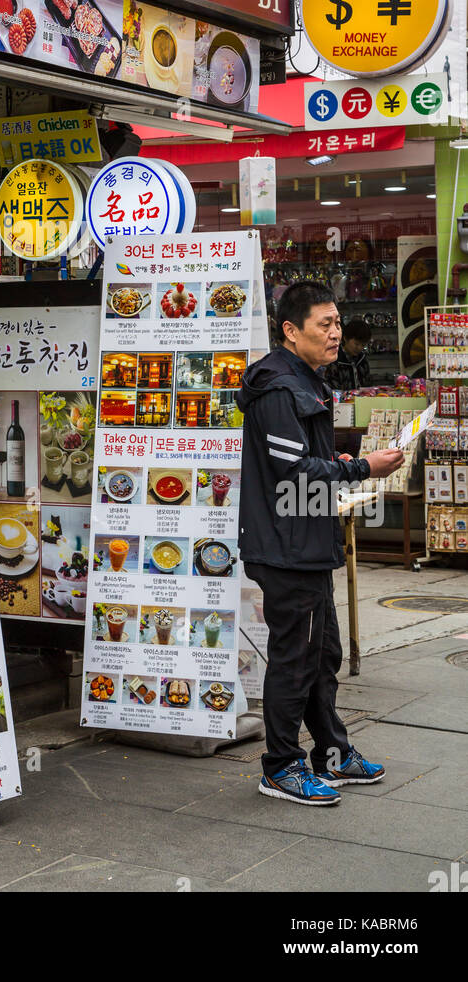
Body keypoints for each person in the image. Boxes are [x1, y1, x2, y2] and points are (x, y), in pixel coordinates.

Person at [237, 280, 405, 807]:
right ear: (291, 331)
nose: (335, 334)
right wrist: (362, 468)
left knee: (322, 652)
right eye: (324, 325)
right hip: (284, 547)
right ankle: (280, 766)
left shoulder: (306, 380)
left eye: (337, 323)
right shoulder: (278, 387)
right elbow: (293, 472)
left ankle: (331, 753)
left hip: (308, 540)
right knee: (294, 657)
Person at [326, 317, 373, 393]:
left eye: (363, 345)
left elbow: (367, 385)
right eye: (356, 344)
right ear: (345, 338)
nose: (359, 348)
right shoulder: (334, 360)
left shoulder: (362, 359)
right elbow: (332, 389)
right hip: (341, 403)